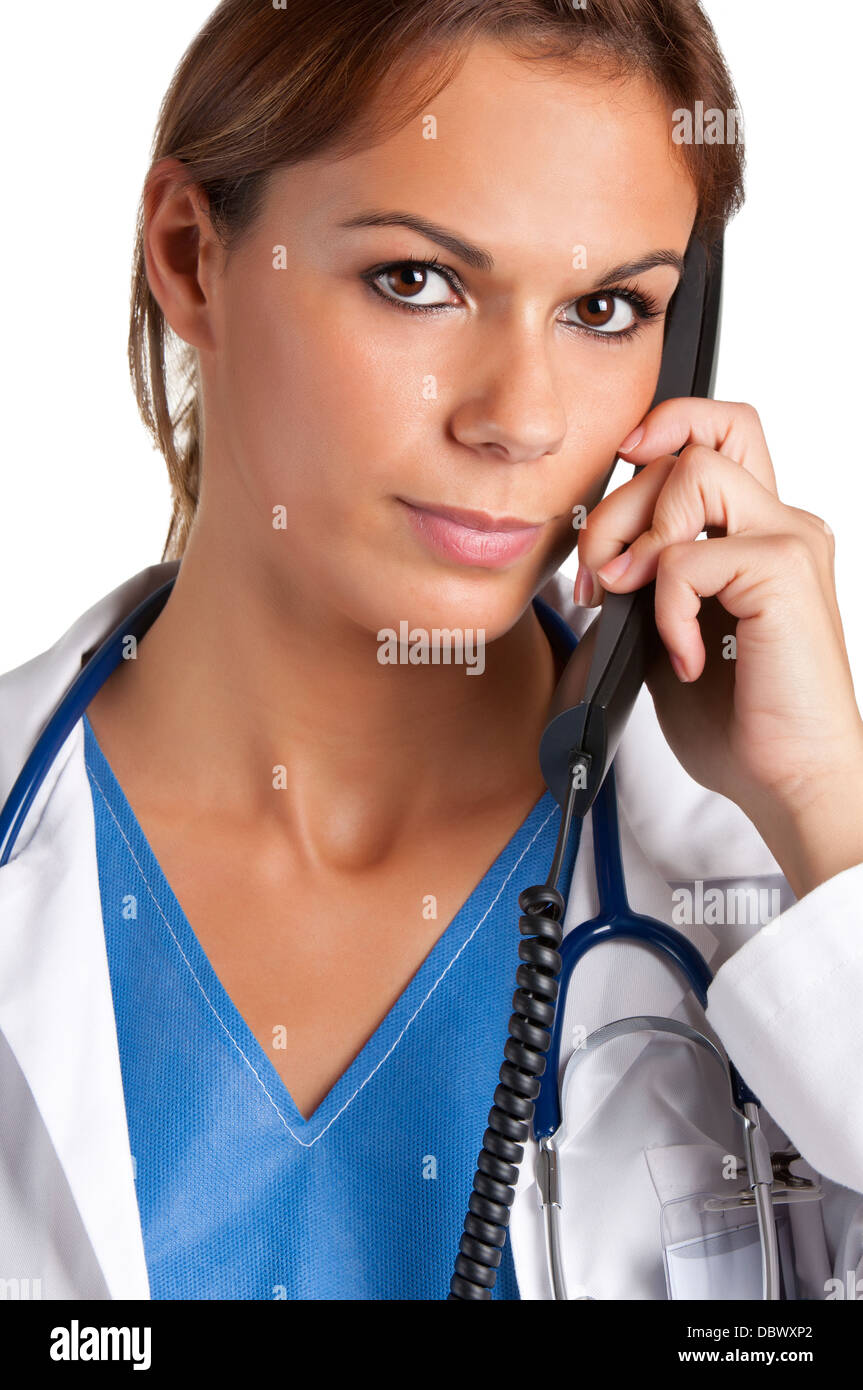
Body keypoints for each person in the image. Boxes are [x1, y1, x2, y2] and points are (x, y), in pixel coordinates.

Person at [1, 0, 862, 1302]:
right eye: (419, 281)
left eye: (608, 308)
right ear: (191, 257)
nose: (520, 419)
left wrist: (826, 810)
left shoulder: (783, 890)